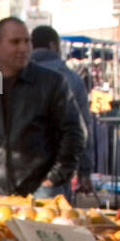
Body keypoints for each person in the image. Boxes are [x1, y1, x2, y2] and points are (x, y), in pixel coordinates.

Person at [0, 16, 85, 198]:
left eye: (27, 41)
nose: (23, 48)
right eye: (15, 42)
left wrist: (52, 180)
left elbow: (74, 133)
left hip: (41, 191)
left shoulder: (50, 83)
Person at [29, 25, 93, 194]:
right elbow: (83, 128)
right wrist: (84, 171)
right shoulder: (72, 79)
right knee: (53, 218)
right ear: (53, 45)